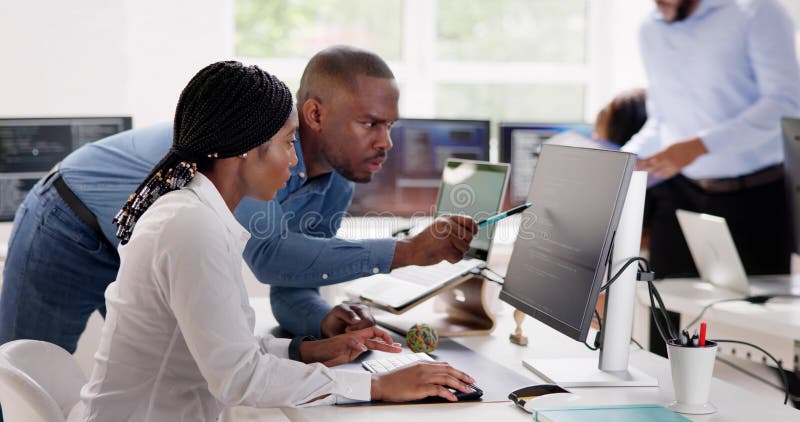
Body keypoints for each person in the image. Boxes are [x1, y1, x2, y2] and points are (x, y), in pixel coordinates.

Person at [0, 45, 477, 355]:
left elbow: (291, 285)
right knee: (24, 373)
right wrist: (406, 251)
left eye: (390, 126)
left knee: (165, 382)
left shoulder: (336, 185)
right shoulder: (253, 146)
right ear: (314, 114)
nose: (386, 142)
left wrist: (325, 320)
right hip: (70, 222)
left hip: (140, 248)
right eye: (370, 123)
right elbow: (269, 256)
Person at [74, 61, 476, 421]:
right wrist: (377, 386)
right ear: (247, 149)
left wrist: (307, 350)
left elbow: (228, 348)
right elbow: (239, 378)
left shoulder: (198, 216)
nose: (294, 159)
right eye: (287, 142)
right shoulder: (191, 228)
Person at [622, 0, 800, 278]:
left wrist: (701, 146)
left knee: (751, 304)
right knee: (662, 299)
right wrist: (624, 159)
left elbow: (785, 103)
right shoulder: (650, 29)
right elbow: (662, 119)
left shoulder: (756, 11)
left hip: (753, 198)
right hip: (680, 194)